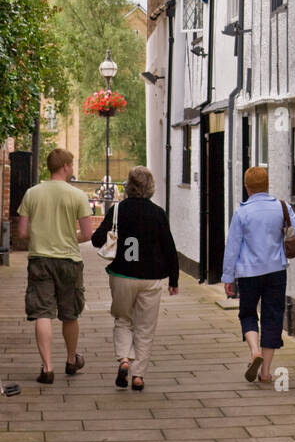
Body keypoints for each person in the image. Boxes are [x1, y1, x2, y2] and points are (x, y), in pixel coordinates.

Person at [91, 165, 179, 392]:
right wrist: (174, 280)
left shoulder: (118, 210)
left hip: (121, 275)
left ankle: (124, 360)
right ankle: (138, 375)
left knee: (123, 319)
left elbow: (96, 239)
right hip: (151, 278)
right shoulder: (158, 213)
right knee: (145, 327)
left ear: (128, 186)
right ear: (150, 187)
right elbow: (169, 248)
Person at [16, 148, 96, 383]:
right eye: (71, 165)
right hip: (69, 260)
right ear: (65, 167)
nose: (72, 169)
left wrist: (42, 237)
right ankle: (71, 361)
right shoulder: (77, 195)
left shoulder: (32, 194)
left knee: (42, 313)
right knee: (70, 314)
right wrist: (69, 237)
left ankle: (47, 368)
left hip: (40, 259)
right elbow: (88, 234)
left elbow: (21, 232)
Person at [222, 166, 295, 384]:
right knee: (273, 317)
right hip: (276, 271)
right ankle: (266, 373)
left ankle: (254, 351)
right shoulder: (281, 207)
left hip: (249, 273)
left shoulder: (242, 212)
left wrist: (228, 278)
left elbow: (232, 248)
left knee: (248, 313)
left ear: (247, 187)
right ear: (267, 185)